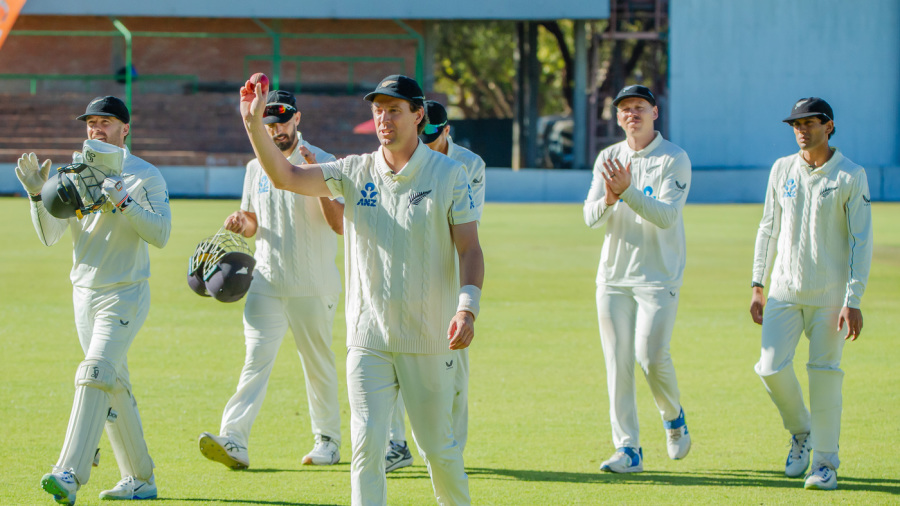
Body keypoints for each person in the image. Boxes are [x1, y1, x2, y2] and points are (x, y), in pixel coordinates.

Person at [239, 74, 484, 505]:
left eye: (394, 109)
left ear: (418, 113)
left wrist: (467, 307)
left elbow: (469, 247)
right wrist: (253, 124)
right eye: (377, 110)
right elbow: (285, 176)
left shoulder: (450, 174)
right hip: (368, 339)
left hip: (428, 338)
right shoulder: (354, 170)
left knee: (437, 451)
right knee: (366, 450)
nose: (383, 118)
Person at [15, 96, 171, 504]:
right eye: (91, 123)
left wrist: (124, 200)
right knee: (112, 384)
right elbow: (50, 235)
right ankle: (140, 478)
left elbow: (160, 234)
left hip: (124, 293)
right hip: (82, 294)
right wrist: (38, 197)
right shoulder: (72, 174)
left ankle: (68, 473)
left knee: (94, 372)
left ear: (125, 129)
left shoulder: (144, 176)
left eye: (105, 122)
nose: (96, 129)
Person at [198, 90, 345, 469]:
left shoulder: (323, 160)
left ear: (298, 119)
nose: (276, 129)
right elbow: (252, 223)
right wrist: (239, 222)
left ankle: (327, 440)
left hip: (314, 283)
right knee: (254, 361)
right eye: (269, 122)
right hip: (266, 281)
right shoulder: (254, 168)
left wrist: (320, 177)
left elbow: (338, 224)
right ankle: (234, 440)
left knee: (317, 364)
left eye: (282, 121)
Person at [750, 97, 872, 491]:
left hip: (831, 297)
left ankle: (824, 464)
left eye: (809, 123)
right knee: (769, 367)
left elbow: (860, 242)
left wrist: (853, 299)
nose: (801, 130)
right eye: (795, 124)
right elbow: (768, 227)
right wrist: (758, 284)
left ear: (829, 126)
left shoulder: (851, 175)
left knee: (825, 377)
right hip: (785, 290)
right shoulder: (782, 169)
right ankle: (801, 430)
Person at [583, 85, 692, 474]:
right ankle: (627, 448)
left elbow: (665, 216)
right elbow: (590, 216)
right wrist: (611, 199)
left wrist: (626, 191)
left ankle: (673, 416)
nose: (632, 114)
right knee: (618, 362)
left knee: (651, 357)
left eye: (639, 108)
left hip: (658, 276)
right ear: (617, 117)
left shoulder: (673, 158)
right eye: (625, 109)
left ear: (654, 113)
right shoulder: (608, 157)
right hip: (613, 277)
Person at [385, 100, 486, 472]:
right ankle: (395, 444)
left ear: (446, 131)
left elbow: (463, 227)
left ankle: (452, 450)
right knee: (390, 357)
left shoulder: (469, 165)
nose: (425, 144)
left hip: (445, 275)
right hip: (402, 273)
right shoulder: (403, 157)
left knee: (453, 371)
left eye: (432, 136)